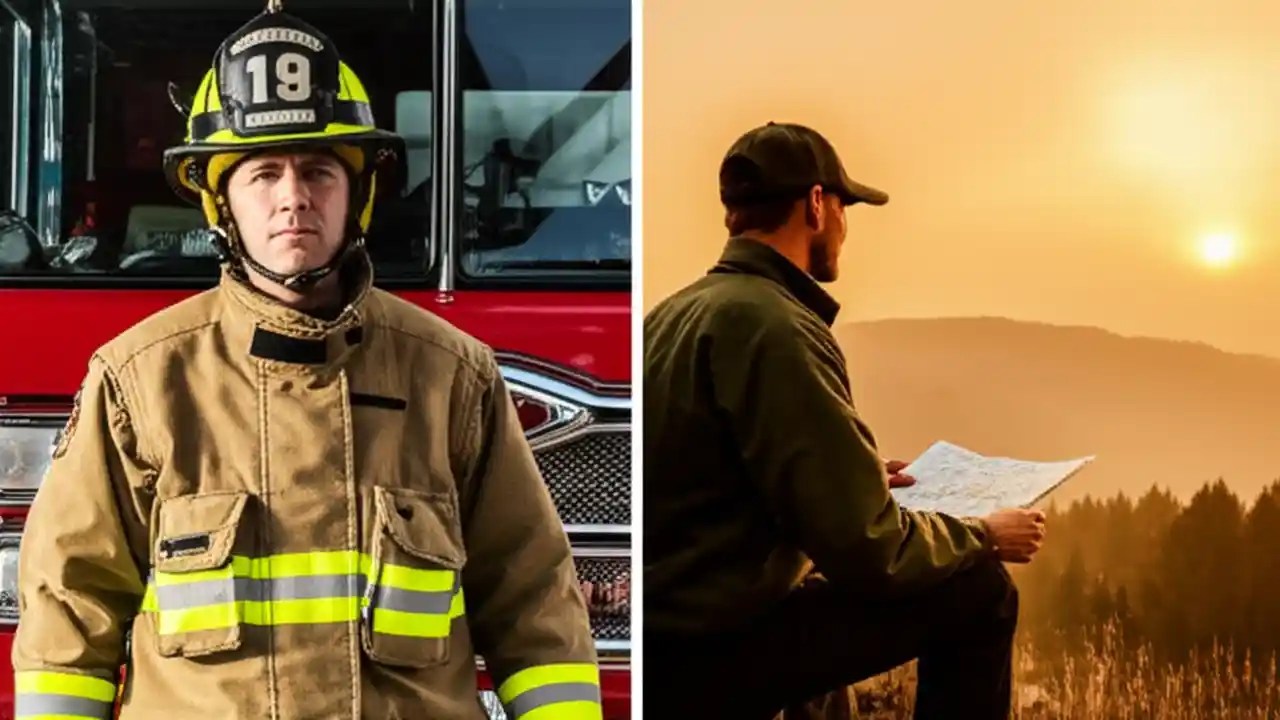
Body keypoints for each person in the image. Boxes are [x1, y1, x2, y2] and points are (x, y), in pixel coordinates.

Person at [12, 7, 601, 719]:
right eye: (262, 173)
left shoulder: (452, 375)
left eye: (319, 170)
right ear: (218, 200)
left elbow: (534, 602)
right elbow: (70, 616)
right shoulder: (139, 381)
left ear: (359, 193)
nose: (293, 197)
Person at [642, 121, 1047, 720]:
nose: (844, 225)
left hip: (667, 635)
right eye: (843, 206)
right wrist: (983, 535)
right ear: (814, 204)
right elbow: (870, 552)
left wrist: (860, 475)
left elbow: (715, 472)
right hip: (714, 649)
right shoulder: (776, 328)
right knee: (980, 592)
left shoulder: (674, 312)